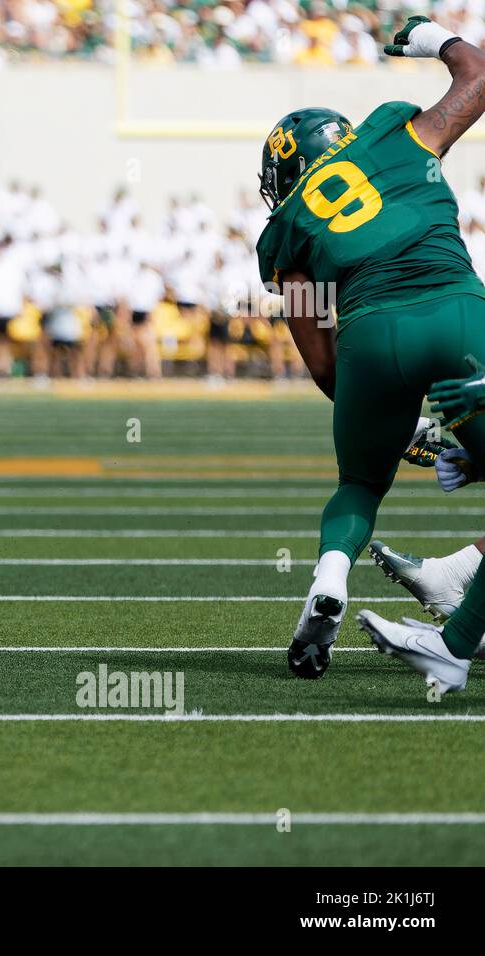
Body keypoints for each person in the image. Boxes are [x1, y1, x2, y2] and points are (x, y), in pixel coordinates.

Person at [256, 15, 485, 691]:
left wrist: (389, 418)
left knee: (358, 484)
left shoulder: (284, 233)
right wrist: (430, 36)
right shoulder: (395, 129)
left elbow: (322, 362)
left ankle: (332, 580)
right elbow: (477, 75)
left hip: (368, 339)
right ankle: (456, 630)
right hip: (459, 316)